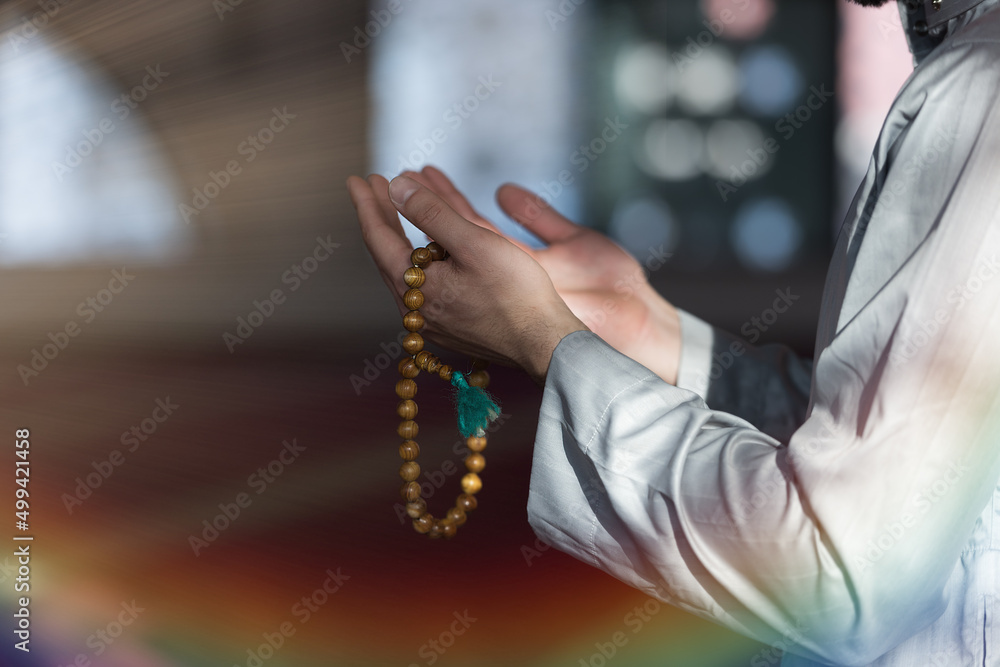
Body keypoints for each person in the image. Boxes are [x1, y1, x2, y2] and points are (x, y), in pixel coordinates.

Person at [347, 0, 1000, 663]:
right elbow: (916, 449)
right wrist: (647, 331)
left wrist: (545, 342)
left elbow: (843, 570)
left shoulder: (983, 80)